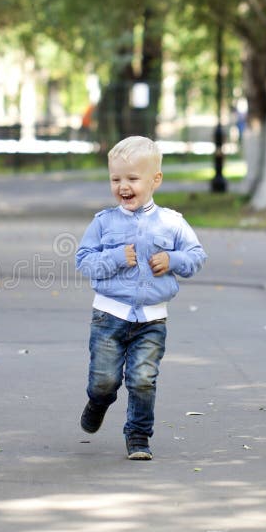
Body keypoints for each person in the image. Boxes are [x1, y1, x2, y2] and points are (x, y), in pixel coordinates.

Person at [75, 136, 207, 460]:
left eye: (132, 179)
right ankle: (98, 401)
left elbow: (196, 256)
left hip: (151, 319)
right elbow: (84, 261)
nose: (123, 186)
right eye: (116, 179)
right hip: (109, 317)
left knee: (143, 380)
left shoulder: (172, 222)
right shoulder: (103, 222)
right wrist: (117, 257)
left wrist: (173, 261)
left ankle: (138, 436)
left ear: (155, 180)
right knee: (104, 381)